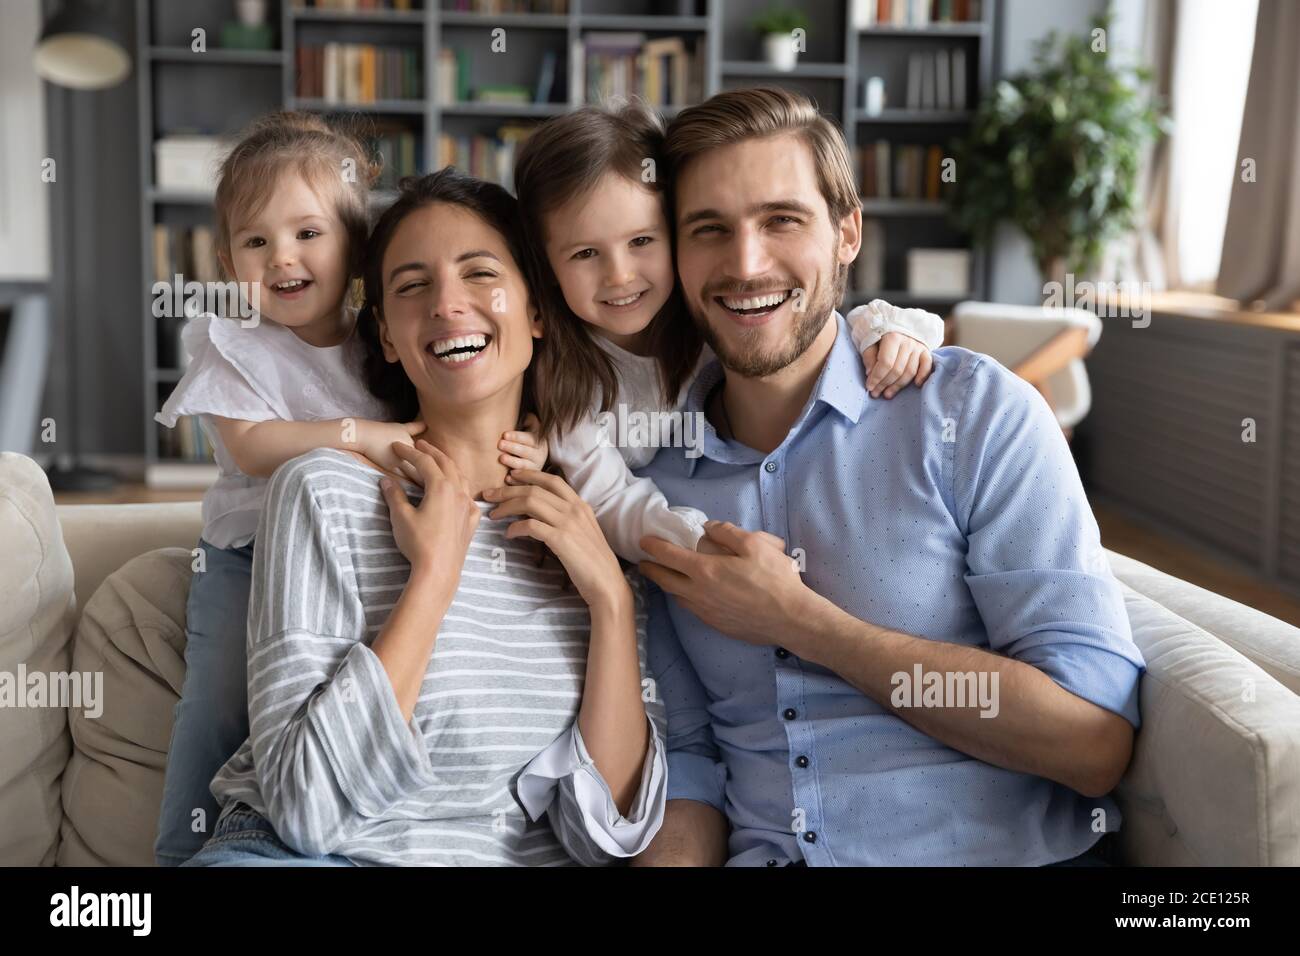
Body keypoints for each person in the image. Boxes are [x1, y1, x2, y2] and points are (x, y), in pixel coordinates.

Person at [631, 87, 1146, 867]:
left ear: (846, 233)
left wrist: (802, 624)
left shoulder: (972, 415)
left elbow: (1091, 739)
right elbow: (691, 757)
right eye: (709, 230)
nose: (745, 263)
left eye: (781, 220)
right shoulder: (650, 477)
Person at [183, 168, 662, 866]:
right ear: (384, 336)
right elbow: (305, 806)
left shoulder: (595, 533)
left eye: (480, 273)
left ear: (536, 312)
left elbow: (604, 839)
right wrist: (433, 576)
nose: (447, 304)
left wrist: (612, 602)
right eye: (412, 286)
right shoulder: (323, 491)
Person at [153, 113, 545, 865]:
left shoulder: (385, 338)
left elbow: (451, 417)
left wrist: (539, 440)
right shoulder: (231, 341)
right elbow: (252, 445)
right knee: (216, 706)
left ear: (356, 248)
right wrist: (358, 437)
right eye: (255, 241)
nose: (281, 259)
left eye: (307, 234)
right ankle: (177, 850)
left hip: (351, 557)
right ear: (228, 259)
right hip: (243, 558)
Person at [511, 100, 945, 563]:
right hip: (639, 551)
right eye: (584, 254)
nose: (620, 276)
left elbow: (807, 316)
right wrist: (700, 542)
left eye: (641, 241)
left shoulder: (703, 317)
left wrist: (886, 330)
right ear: (548, 268)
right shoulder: (563, 379)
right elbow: (610, 499)